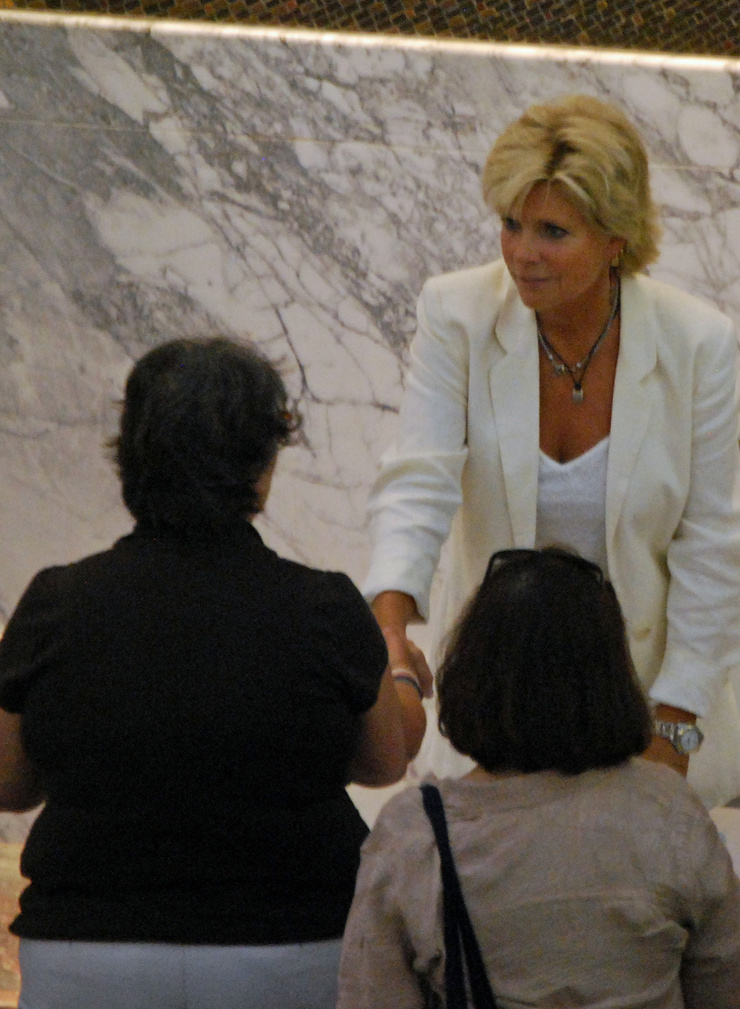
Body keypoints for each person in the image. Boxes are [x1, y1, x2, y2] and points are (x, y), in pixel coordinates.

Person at [0, 337, 426, 1009]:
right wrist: (397, 668)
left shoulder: (56, 601)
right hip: (287, 948)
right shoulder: (321, 604)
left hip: (87, 950)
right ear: (261, 466)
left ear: (131, 456)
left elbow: (9, 781)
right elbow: (384, 759)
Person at [363, 93, 740, 807]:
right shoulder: (457, 313)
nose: (521, 254)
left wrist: (675, 723)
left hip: (646, 698)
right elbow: (418, 481)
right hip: (495, 706)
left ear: (616, 238)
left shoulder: (699, 343)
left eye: (553, 231)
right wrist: (390, 634)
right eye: (510, 223)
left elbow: (713, 546)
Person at [339, 548, 740, 1008]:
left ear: (470, 673)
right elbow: (724, 986)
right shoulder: (670, 813)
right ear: (612, 679)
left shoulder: (417, 834)